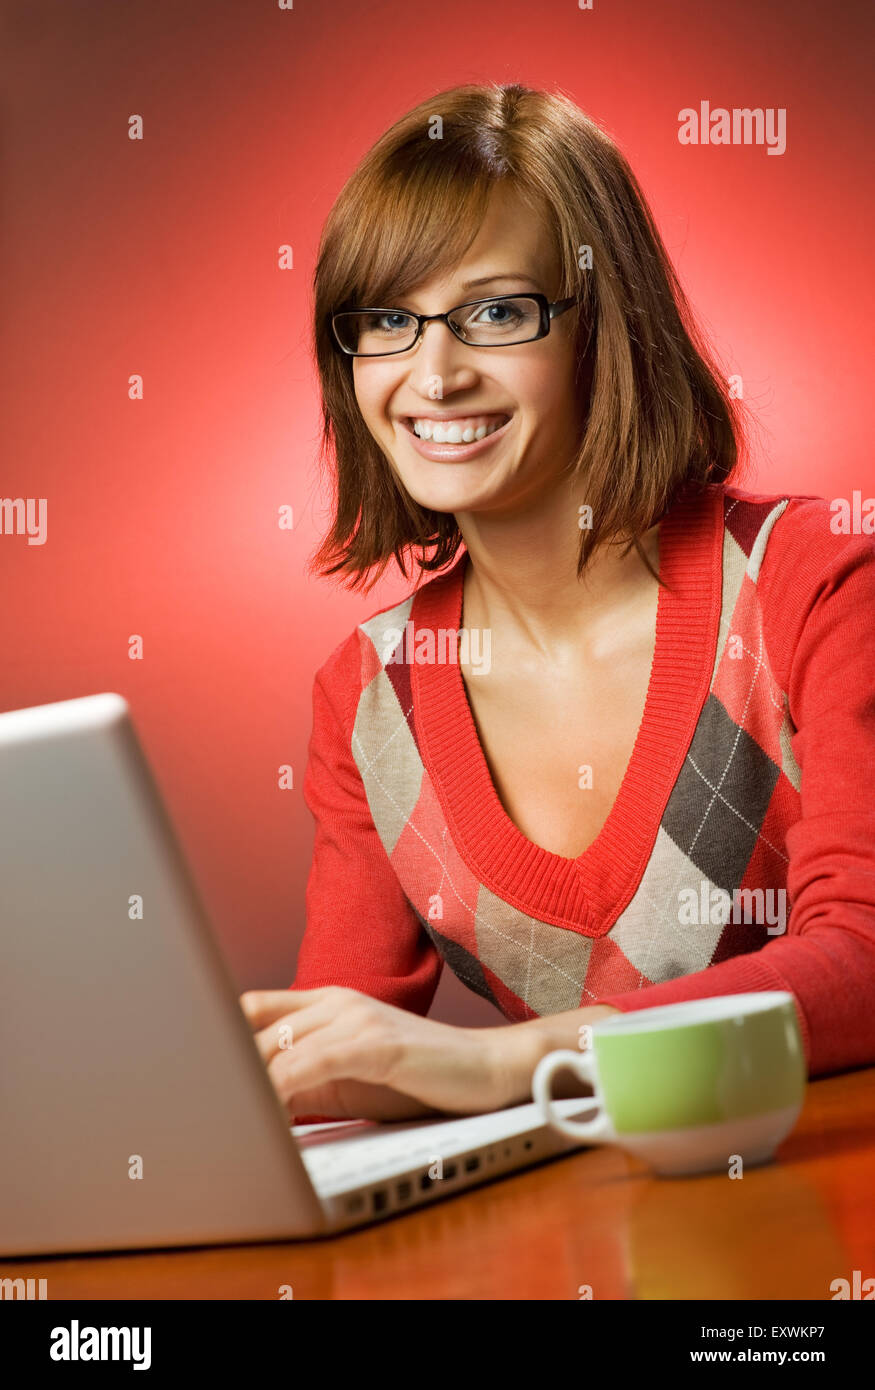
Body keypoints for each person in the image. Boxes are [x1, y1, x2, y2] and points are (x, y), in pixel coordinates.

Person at [240, 82, 875, 1123]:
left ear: (603, 325)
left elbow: (858, 960)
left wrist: (511, 1062)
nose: (431, 376)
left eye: (493, 312)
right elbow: (353, 1058)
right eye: (388, 321)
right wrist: (228, 1073)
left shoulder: (815, 585)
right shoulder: (366, 695)